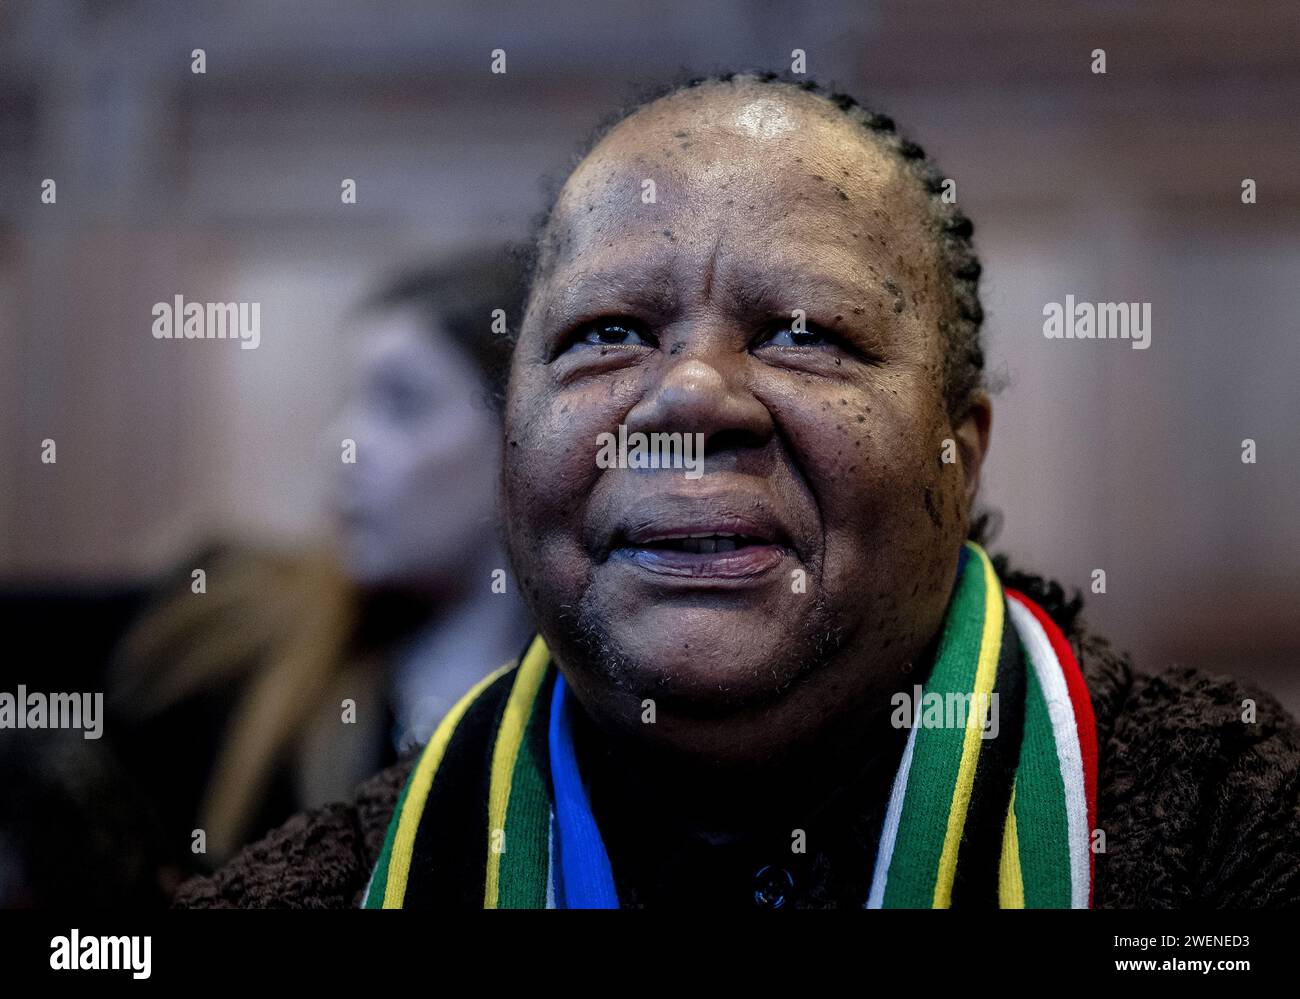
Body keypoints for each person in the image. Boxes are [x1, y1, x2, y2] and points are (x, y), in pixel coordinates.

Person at [173, 73, 1300, 909]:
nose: (691, 396)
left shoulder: (1234, 839)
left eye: (804, 334)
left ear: (960, 452)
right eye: (606, 333)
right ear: (513, 439)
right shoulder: (313, 891)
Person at [109, 249, 532, 884]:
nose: (342, 445)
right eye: (350, 402)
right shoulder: (226, 642)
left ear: (527, 434)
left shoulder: (602, 713)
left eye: (402, 403)